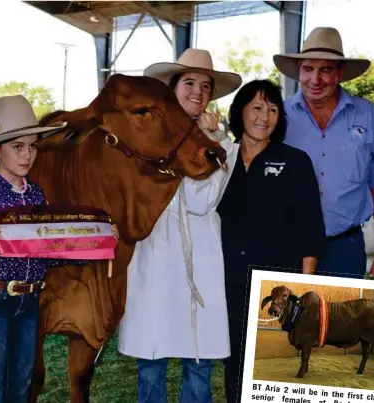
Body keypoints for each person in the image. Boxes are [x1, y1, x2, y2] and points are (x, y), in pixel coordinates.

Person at [0, 95, 119, 403]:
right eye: (17, 147)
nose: (27, 155)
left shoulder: (36, 193)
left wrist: (97, 238)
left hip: (30, 301)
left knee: (22, 384)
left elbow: (50, 250)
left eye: (32, 146)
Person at [117, 48, 242, 403]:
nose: (198, 92)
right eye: (189, 82)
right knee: (151, 359)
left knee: (199, 358)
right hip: (155, 250)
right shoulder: (143, 139)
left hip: (199, 252)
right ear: (171, 89)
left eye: (205, 86)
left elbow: (202, 203)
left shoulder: (221, 146)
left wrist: (212, 145)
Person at [217, 79, 326, 403]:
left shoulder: (295, 161)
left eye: (273, 109)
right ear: (240, 112)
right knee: (234, 359)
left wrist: (305, 284)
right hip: (227, 279)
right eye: (257, 107)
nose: (265, 116)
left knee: (270, 366)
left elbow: (310, 225)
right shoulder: (221, 158)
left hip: (276, 281)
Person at [274, 27, 374, 281]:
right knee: (284, 319)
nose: (315, 79)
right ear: (298, 71)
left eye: (325, 69)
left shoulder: (367, 115)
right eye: (307, 69)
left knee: (342, 319)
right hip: (287, 245)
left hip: (344, 250)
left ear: (340, 73)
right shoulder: (276, 116)